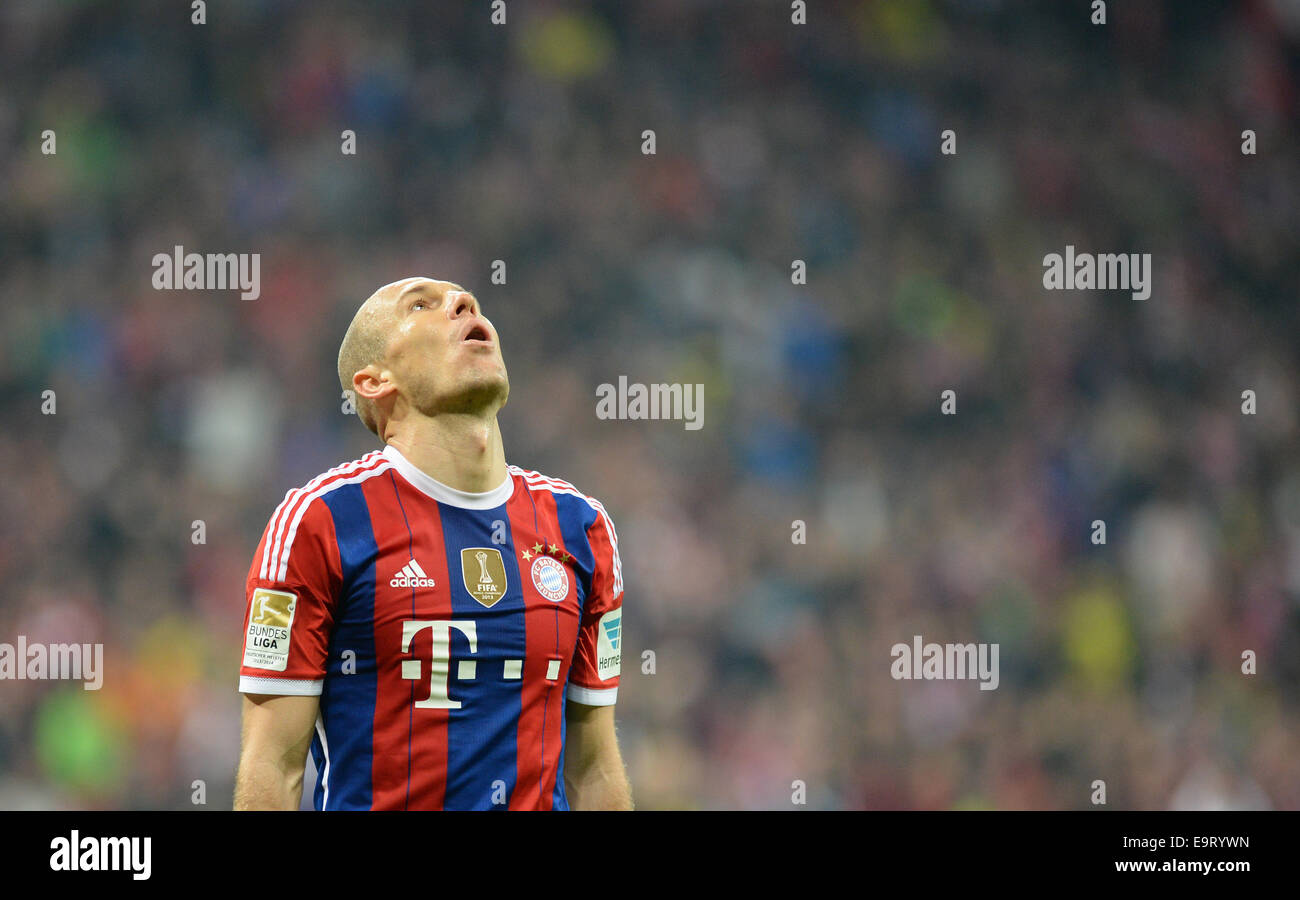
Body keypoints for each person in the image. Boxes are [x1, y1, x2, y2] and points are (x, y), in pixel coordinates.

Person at [233, 277, 632, 810]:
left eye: (467, 300)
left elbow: (594, 767)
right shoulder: (320, 522)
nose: (463, 303)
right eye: (422, 305)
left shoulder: (580, 528)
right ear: (374, 381)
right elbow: (273, 765)